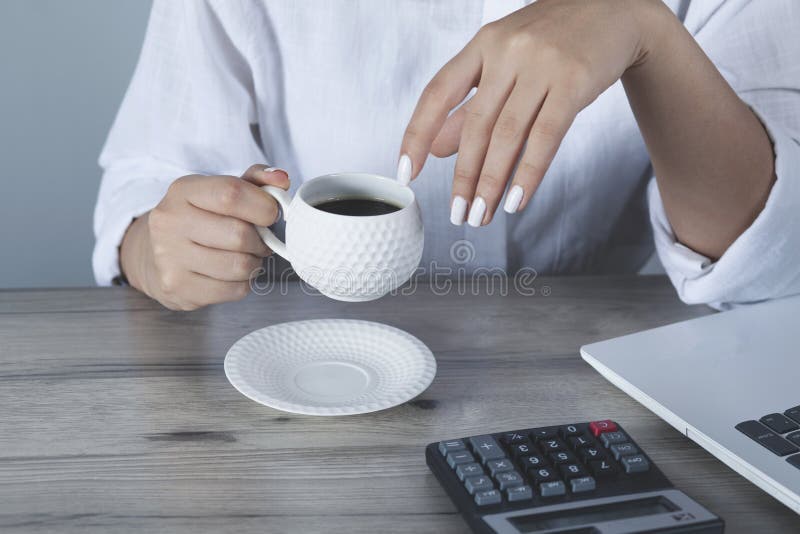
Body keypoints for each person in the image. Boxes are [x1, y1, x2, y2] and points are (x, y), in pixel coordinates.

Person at [94, 0, 800, 311]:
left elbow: (768, 255)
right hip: (298, 374)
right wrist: (158, 249)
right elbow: (144, 180)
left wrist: (646, 31)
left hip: (592, 394)